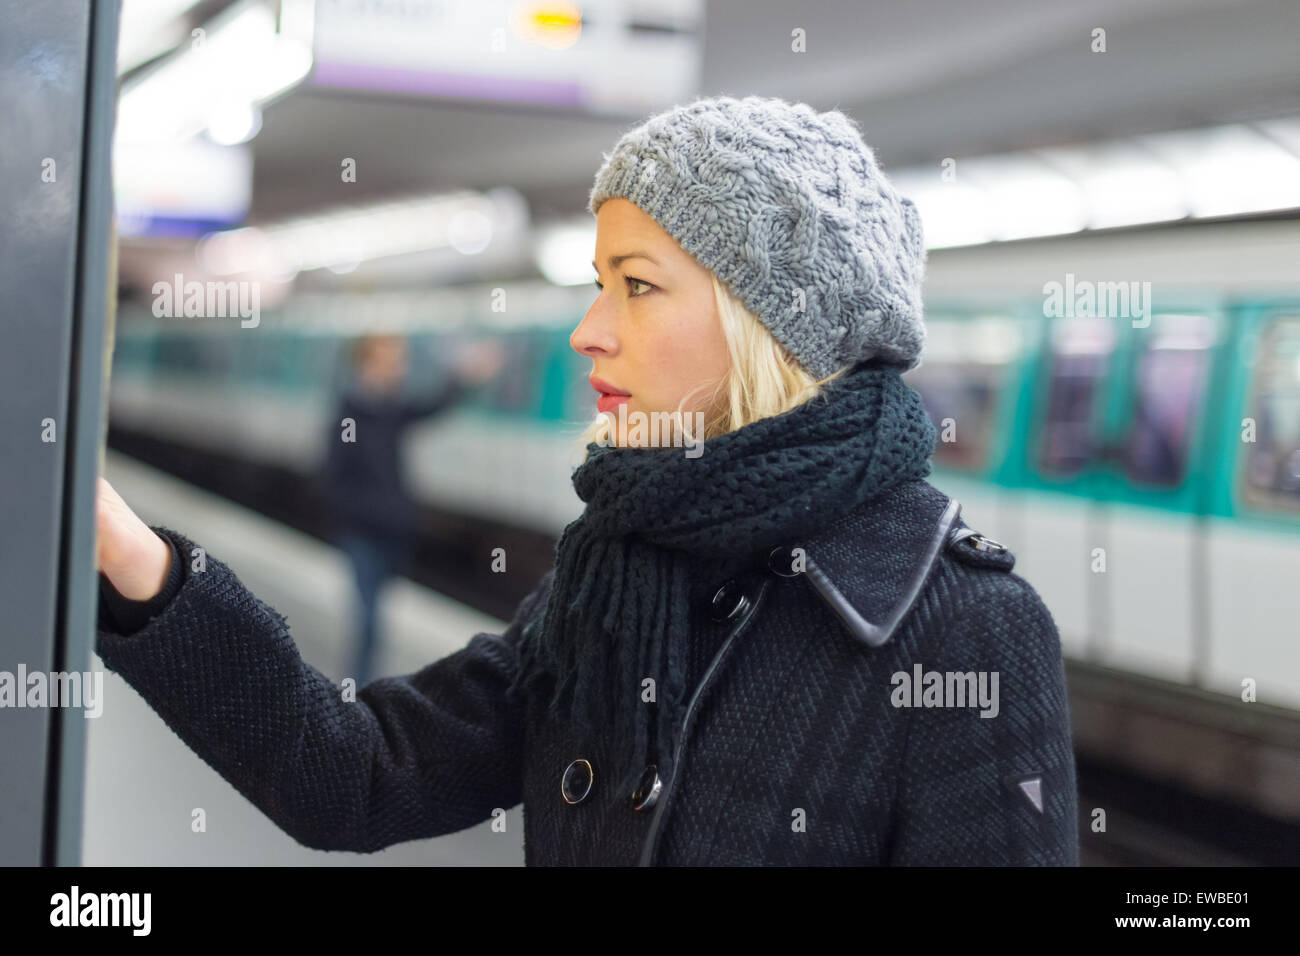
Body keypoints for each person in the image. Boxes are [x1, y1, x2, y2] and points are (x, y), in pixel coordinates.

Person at [95, 95, 1079, 865]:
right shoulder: (610, 578)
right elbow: (356, 774)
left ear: (768, 325)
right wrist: (139, 565)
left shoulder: (964, 627)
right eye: (596, 282)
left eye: (636, 285)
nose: (588, 330)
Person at [319, 334, 501, 687]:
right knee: (369, 615)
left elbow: (431, 407)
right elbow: (332, 477)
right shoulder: (349, 417)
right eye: (391, 361)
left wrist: (463, 378)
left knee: (378, 611)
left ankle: (365, 685)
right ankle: (358, 686)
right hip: (364, 532)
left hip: (394, 531)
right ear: (367, 364)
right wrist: (363, 515)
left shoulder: (389, 410)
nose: (400, 369)